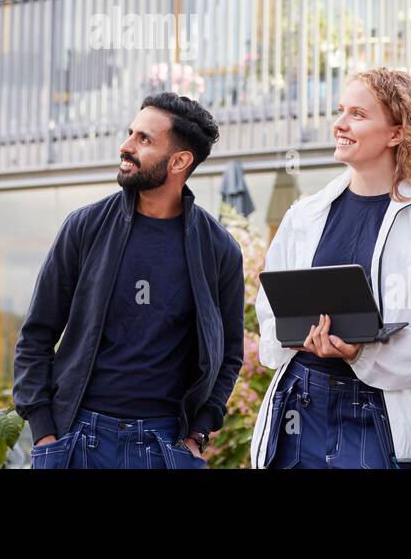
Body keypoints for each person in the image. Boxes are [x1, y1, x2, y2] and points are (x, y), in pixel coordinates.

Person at [13, 92, 244, 469]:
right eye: (130, 133)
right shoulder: (84, 228)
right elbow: (36, 335)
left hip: (166, 445)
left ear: (180, 161)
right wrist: (44, 433)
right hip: (77, 439)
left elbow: (230, 354)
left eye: (144, 139)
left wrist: (197, 434)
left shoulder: (219, 250)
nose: (126, 146)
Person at [250, 68, 411, 469]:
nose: (340, 124)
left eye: (358, 115)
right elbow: (269, 308)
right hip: (302, 406)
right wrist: (294, 336)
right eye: (340, 110)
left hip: (384, 417)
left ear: (396, 133)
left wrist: (363, 352)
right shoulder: (305, 214)